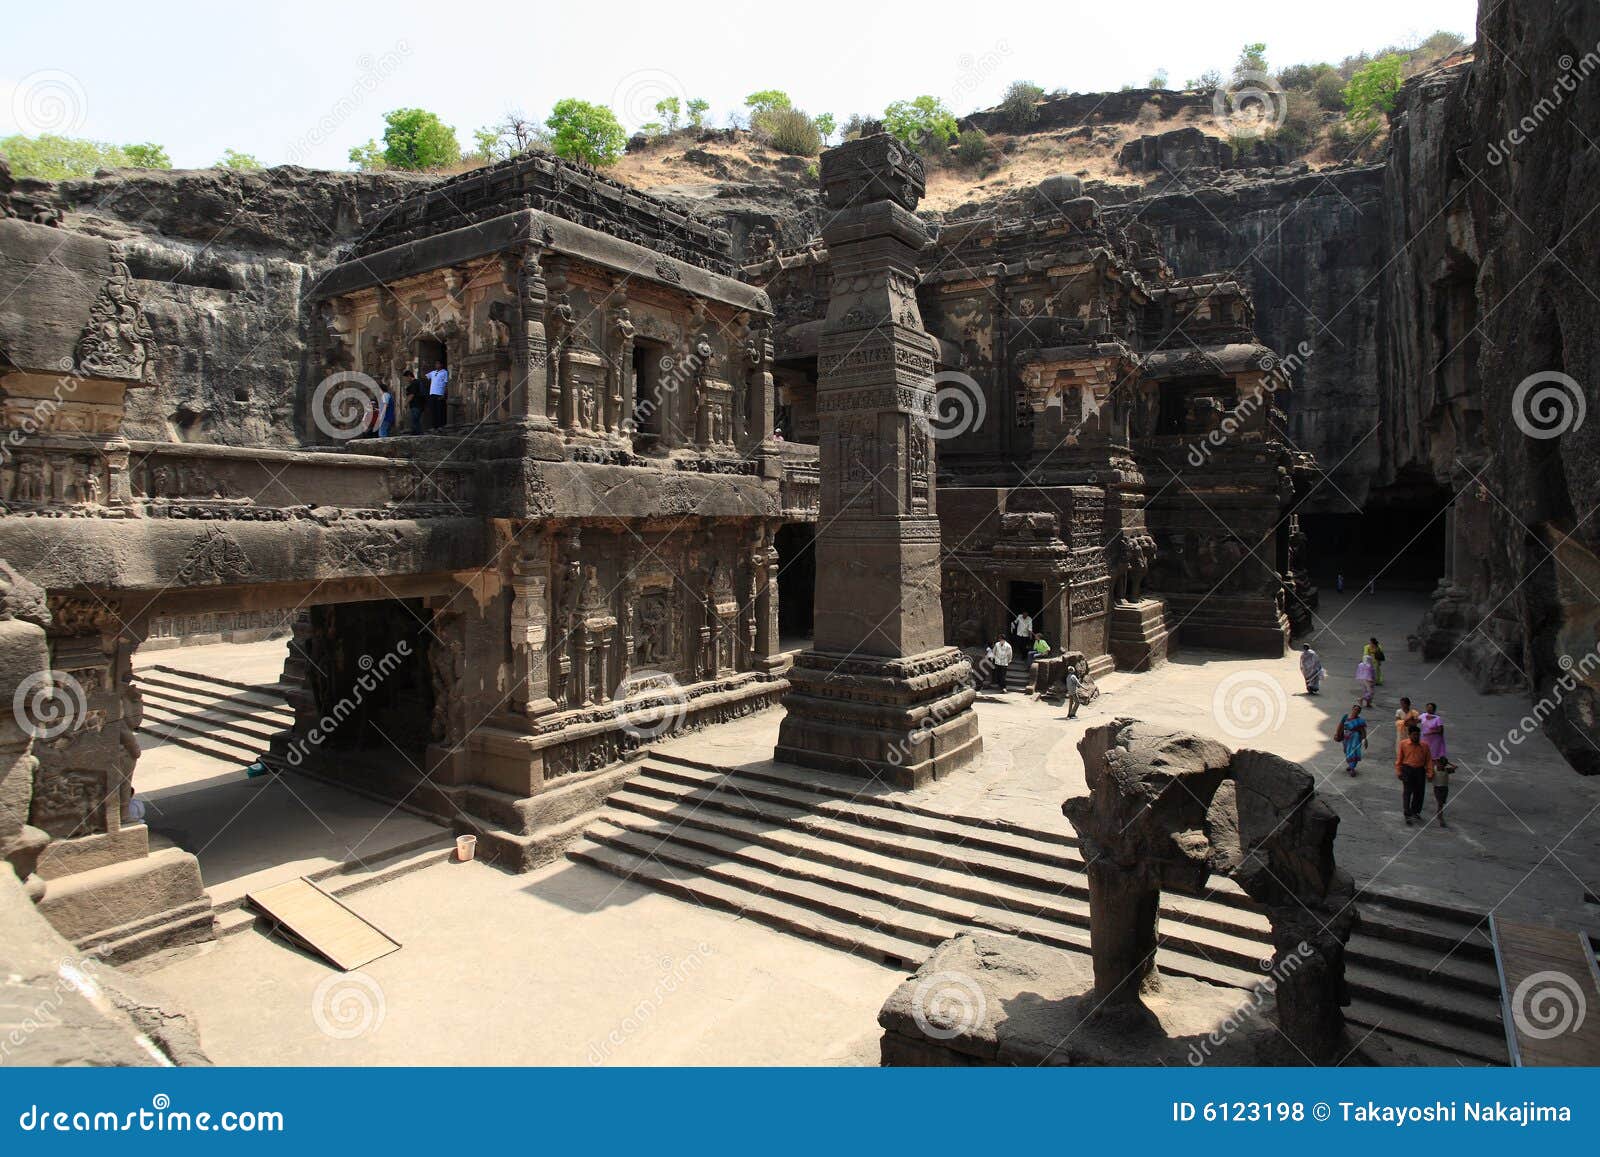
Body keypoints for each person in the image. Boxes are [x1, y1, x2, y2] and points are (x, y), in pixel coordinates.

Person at [1395, 722, 1432, 825]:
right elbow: (1399, 759)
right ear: (1410, 735)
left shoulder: (1424, 746)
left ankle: (1415, 811)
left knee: (1419, 793)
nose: (1416, 737)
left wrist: (1430, 772)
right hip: (1407, 770)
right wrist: (1398, 771)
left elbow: (1429, 760)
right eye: (1414, 735)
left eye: (1418, 735)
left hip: (1420, 770)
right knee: (1407, 792)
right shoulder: (1403, 744)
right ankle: (1407, 814)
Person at [1336, 704, 1368, 776]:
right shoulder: (1346, 717)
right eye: (1355, 709)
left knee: (1353, 752)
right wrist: (1337, 734)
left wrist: (1365, 739)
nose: (1356, 711)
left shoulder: (1360, 721)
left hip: (1355, 739)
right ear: (1352, 709)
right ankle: (1351, 765)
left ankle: (1352, 768)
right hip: (1346, 738)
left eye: (1358, 710)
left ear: (1359, 712)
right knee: (1347, 751)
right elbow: (1340, 726)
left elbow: (1363, 731)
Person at [1430, 756, 1454, 829]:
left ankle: (1439, 814)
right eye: (1440, 765)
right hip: (1437, 788)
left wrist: (1448, 763)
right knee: (1440, 802)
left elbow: (1455, 767)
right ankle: (1440, 817)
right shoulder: (1434, 770)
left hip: (1445, 788)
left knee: (1442, 803)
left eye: (1442, 765)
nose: (1440, 766)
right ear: (1438, 763)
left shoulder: (1446, 770)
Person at [427, 358, 449, 430]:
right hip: (432, 393)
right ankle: (433, 426)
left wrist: (444, 394)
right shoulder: (433, 372)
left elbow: (446, 383)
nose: (437, 365)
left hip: (439, 393)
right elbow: (425, 377)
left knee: (439, 410)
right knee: (433, 410)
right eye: (436, 364)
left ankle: (440, 425)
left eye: (438, 363)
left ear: (441, 365)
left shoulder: (444, 372)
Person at [406, 368, 427, 434]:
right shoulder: (418, 382)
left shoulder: (414, 383)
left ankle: (419, 433)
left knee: (415, 420)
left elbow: (412, 395)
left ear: (409, 376)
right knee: (415, 419)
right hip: (419, 404)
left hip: (416, 404)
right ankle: (415, 432)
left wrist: (406, 403)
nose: (406, 380)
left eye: (406, 378)